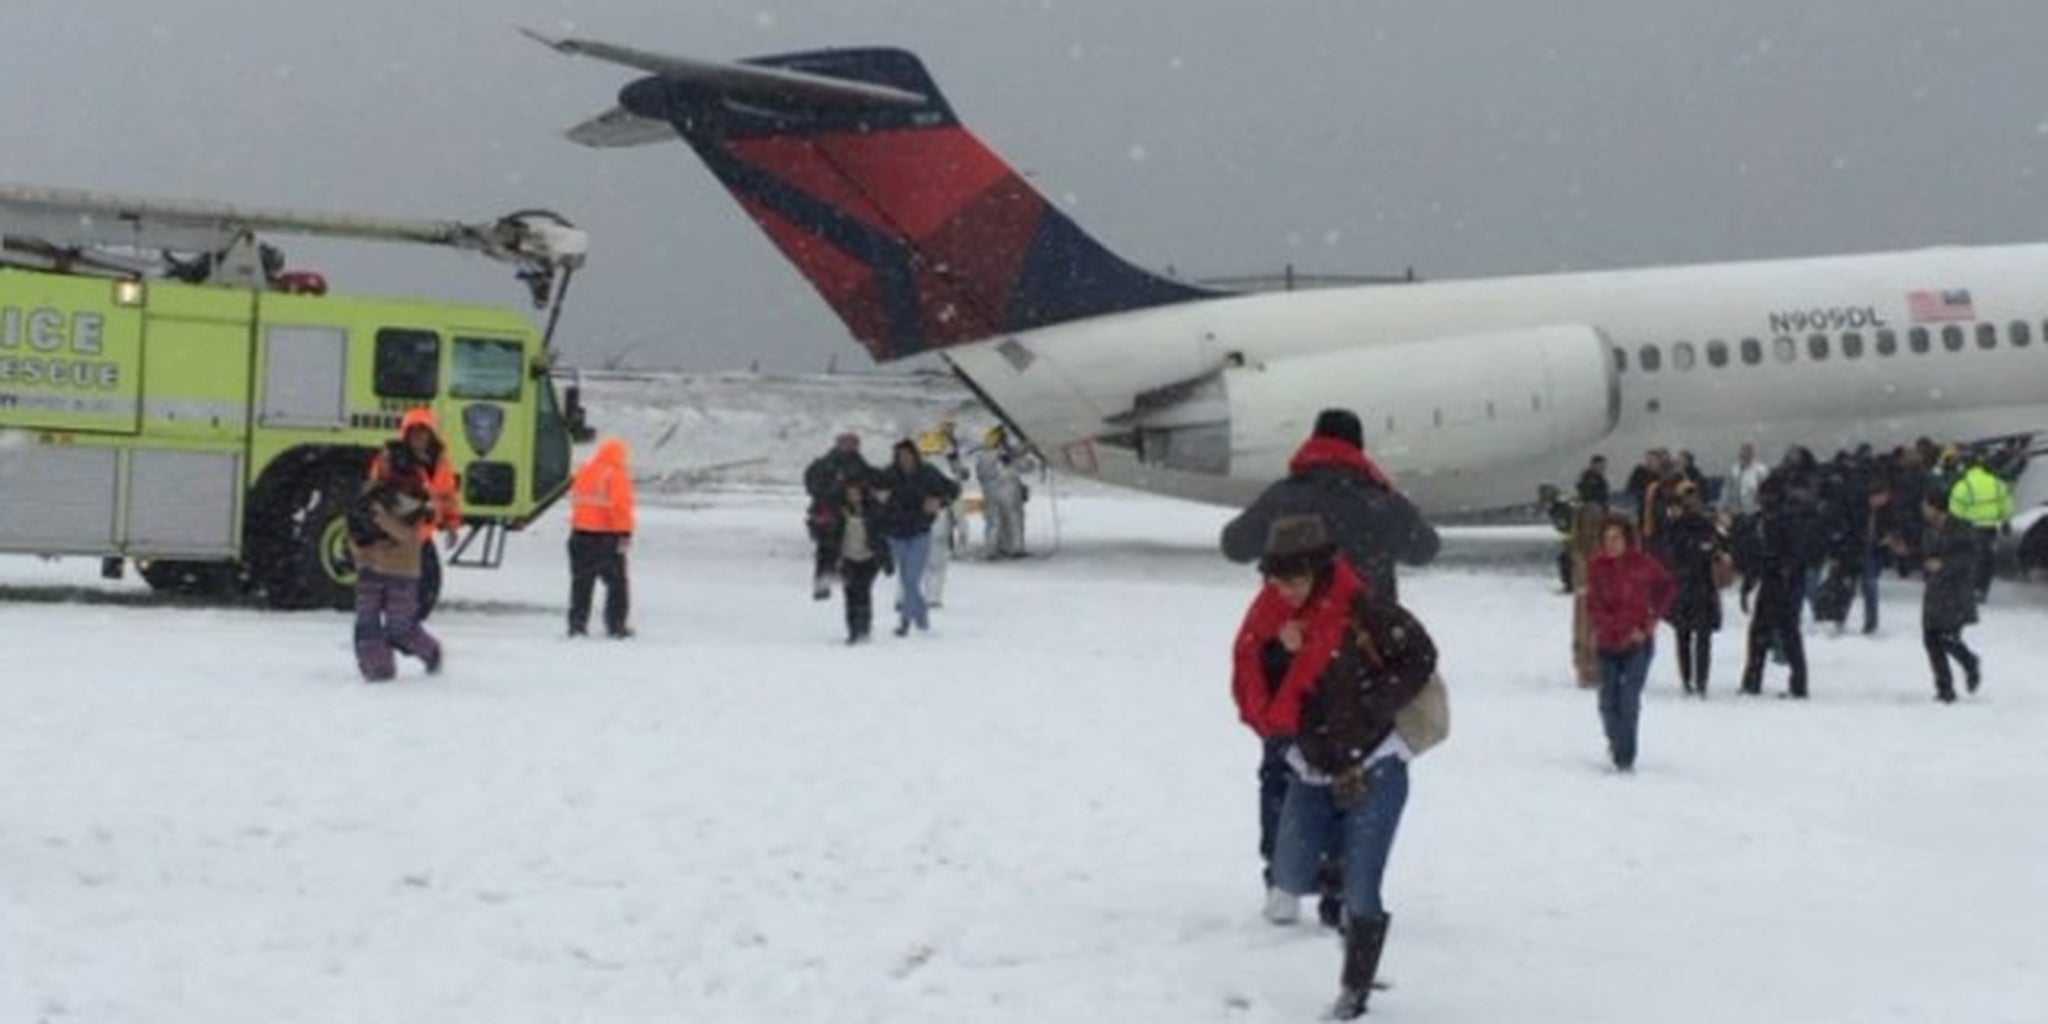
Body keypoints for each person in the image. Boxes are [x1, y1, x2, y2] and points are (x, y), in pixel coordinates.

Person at [1237, 515, 1435, 1020]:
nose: (1284, 590)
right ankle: (1340, 869)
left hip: (1375, 762)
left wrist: (1374, 702)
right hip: (1313, 764)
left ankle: (1355, 990)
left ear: (1320, 573)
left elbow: (1420, 655)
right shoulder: (1269, 622)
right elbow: (1264, 696)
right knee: (1288, 871)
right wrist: (1281, 653)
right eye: (1275, 580)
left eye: (1295, 579)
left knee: (1362, 889)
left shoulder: (1363, 610)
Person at [1220, 408, 1440, 603]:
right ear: (1358, 448)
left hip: (1296, 635)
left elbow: (1234, 546)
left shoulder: (1282, 496)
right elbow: (1425, 549)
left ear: (1313, 440)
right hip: (1366, 633)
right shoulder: (1381, 501)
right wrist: (1395, 503)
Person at [1584, 516, 1676, 770]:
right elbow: (1593, 605)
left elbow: (1667, 587)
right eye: (1607, 539)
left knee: (1629, 697)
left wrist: (1650, 622)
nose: (1611, 544)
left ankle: (1626, 754)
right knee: (1607, 700)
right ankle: (1615, 740)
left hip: (1637, 642)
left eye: (1616, 538)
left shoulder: (1644, 565)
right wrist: (1605, 626)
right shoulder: (1597, 567)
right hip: (1607, 642)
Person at [349, 450, 443, 681]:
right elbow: (354, 525)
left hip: (402, 572)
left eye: (388, 463)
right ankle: (377, 667)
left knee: (400, 628)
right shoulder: (370, 494)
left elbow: (409, 536)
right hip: (370, 568)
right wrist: (357, 548)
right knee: (367, 623)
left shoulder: (413, 500)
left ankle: (430, 653)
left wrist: (382, 520)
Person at [367, 408, 462, 619]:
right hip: (396, 532)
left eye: (423, 431)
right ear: (406, 434)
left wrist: (451, 524)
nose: (419, 436)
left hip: (422, 534)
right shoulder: (391, 457)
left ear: (431, 434)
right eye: (414, 431)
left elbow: (447, 495)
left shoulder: (439, 462)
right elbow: (375, 489)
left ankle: (410, 621)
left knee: (426, 586)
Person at [876, 438, 961, 636]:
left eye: (908, 456)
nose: (905, 460)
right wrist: (879, 496)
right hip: (896, 532)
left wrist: (940, 501)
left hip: (920, 532)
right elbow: (870, 491)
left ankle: (905, 621)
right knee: (907, 578)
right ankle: (921, 618)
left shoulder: (928, 473)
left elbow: (953, 490)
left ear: (915, 456)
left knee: (911, 578)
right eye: (900, 457)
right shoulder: (889, 475)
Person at [1737, 477, 1811, 699]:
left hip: (1781, 582)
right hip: (1780, 581)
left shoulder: (1780, 519)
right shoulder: (1780, 517)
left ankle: (1756, 681)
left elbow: (1785, 552)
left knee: (1770, 633)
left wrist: (1778, 571)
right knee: (1784, 634)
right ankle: (1794, 682)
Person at [1661, 483, 1728, 697]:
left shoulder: (1706, 525)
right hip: (1684, 585)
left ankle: (1701, 680)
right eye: (1687, 498)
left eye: (1694, 498)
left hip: (1702, 585)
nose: (1692, 503)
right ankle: (1688, 679)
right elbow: (1671, 553)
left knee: (1702, 636)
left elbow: (1717, 548)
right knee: (1684, 635)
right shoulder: (1676, 526)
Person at [567, 438, 637, 639]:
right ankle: (616, 626)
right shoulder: (616, 475)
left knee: (581, 584)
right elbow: (621, 507)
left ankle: (577, 626)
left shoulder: (584, 471)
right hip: (606, 537)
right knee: (617, 584)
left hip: (579, 535)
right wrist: (625, 533)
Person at [1919, 496, 1982, 702]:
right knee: (1931, 640)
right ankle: (1944, 688)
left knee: (1947, 637)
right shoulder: (1928, 531)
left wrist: (1944, 565)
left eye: (1926, 506)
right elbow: (1925, 556)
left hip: (1955, 593)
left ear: (1937, 508)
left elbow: (1967, 559)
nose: (1924, 510)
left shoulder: (1961, 530)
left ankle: (1969, 662)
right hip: (1934, 592)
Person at [803, 433, 875, 600]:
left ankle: (845, 581)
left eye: (854, 443)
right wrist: (833, 494)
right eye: (847, 443)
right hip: (828, 515)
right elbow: (813, 487)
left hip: (849, 516)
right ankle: (822, 585)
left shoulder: (859, 464)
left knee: (847, 550)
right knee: (827, 550)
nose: (851, 447)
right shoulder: (824, 464)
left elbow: (869, 482)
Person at [831, 475, 893, 644]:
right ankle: (852, 629)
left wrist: (887, 561)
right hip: (847, 558)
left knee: (863, 591)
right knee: (850, 593)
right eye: (849, 494)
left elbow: (882, 537)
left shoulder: (874, 511)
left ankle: (864, 626)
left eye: (856, 493)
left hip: (868, 558)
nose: (853, 497)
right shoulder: (839, 511)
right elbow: (831, 537)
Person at [1947, 457, 2014, 603]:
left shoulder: (1964, 485)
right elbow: (2006, 503)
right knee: (1987, 559)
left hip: (1969, 527)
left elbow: (1955, 508)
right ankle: (1982, 589)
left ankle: (1969, 588)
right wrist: (2005, 521)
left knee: (1969, 558)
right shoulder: (1997, 483)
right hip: (1990, 527)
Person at [919, 423, 971, 606]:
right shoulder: (946, 473)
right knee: (937, 563)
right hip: (939, 522)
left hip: (914, 525)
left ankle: (905, 597)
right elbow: (955, 500)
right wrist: (963, 528)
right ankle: (933, 598)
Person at [974, 424, 1034, 559]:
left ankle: (992, 549)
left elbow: (980, 475)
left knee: (993, 521)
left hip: (990, 492)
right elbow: (1027, 466)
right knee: (1014, 520)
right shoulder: (1007, 455)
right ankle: (1015, 548)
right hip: (1009, 492)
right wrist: (1025, 450)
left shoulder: (982, 457)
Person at [1723, 442, 1768, 518]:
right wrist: (1724, 505)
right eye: (1742, 452)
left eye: (1747, 451)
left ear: (1752, 454)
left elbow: (1766, 490)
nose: (1743, 454)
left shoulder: (1760, 470)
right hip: (1736, 511)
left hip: (1753, 511)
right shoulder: (1734, 469)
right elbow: (1727, 488)